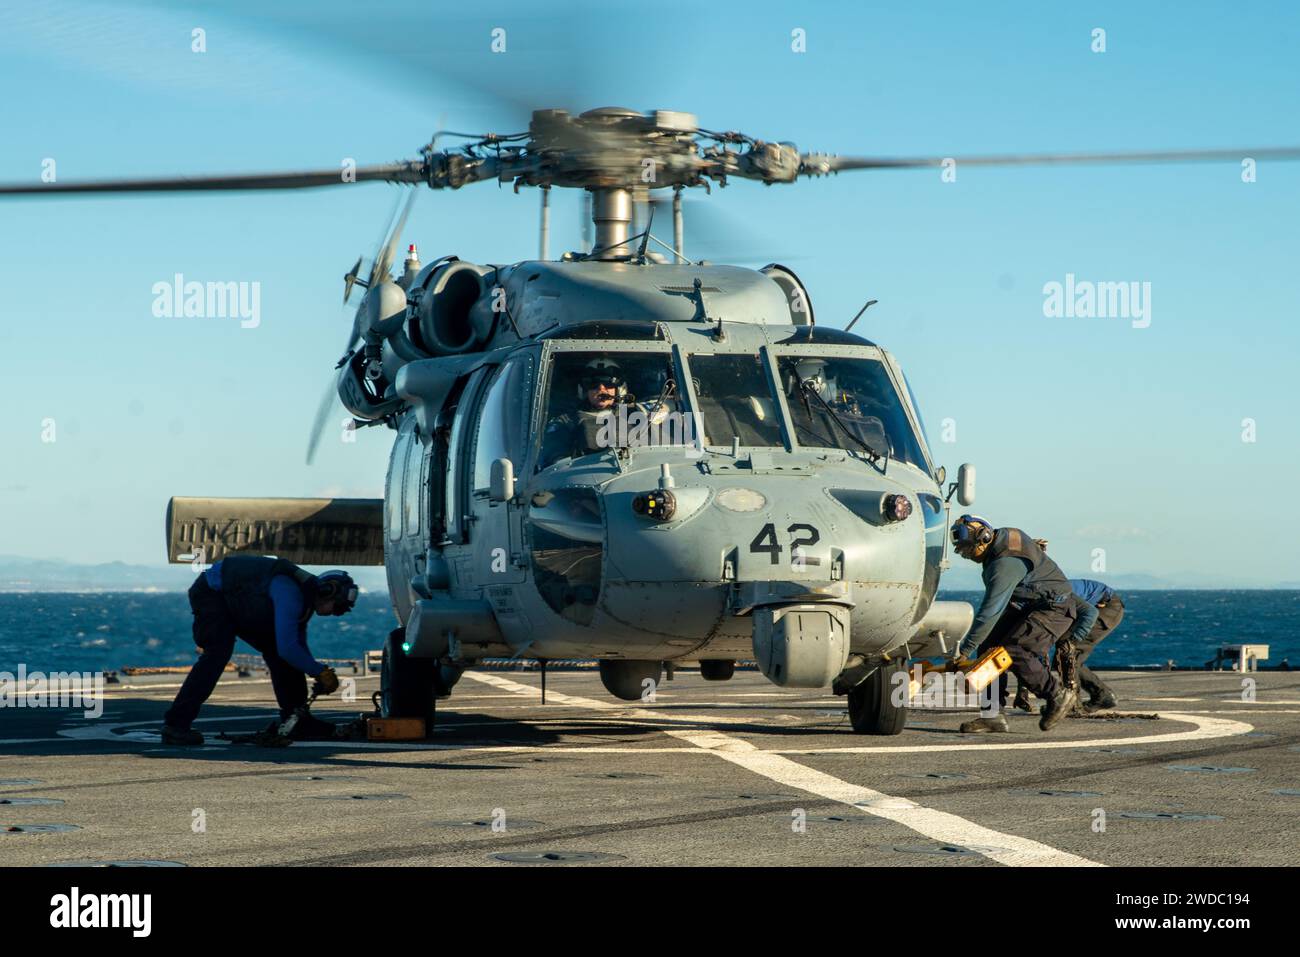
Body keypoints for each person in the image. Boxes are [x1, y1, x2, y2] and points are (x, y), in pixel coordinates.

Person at [160, 555, 357, 745]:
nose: (335, 613)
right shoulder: (290, 592)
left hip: (243, 602)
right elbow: (288, 648)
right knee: (217, 654)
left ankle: (298, 721)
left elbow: (295, 645)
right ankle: (176, 725)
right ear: (327, 591)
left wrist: (316, 671)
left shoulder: (305, 601)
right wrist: (318, 671)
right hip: (213, 594)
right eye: (337, 606)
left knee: (278, 654)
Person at [949, 515, 1079, 733]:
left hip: (1054, 608)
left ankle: (1057, 695)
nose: (965, 555)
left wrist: (964, 650)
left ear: (984, 537)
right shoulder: (1002, 542)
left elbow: (990, 611)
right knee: (989, 650)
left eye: (967, 548)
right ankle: (992, 716)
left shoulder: (1004, 563)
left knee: (1014, 650)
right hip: (1028, 606)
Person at [540, 357, 656, 466]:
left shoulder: (637, 414)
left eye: (608, 383)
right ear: (584, 389)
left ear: (619, 389)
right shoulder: (566, 422)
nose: (601, 389)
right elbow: (555, 457)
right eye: (593, 384)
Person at [1067, 578, 1124, 710]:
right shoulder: (1047, 586)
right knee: (1066, 654)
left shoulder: (1055, 592)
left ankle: (1073, 703)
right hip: (1097, 606)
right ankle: (1101, 696)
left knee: (1069, 653)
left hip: (1106, 608)